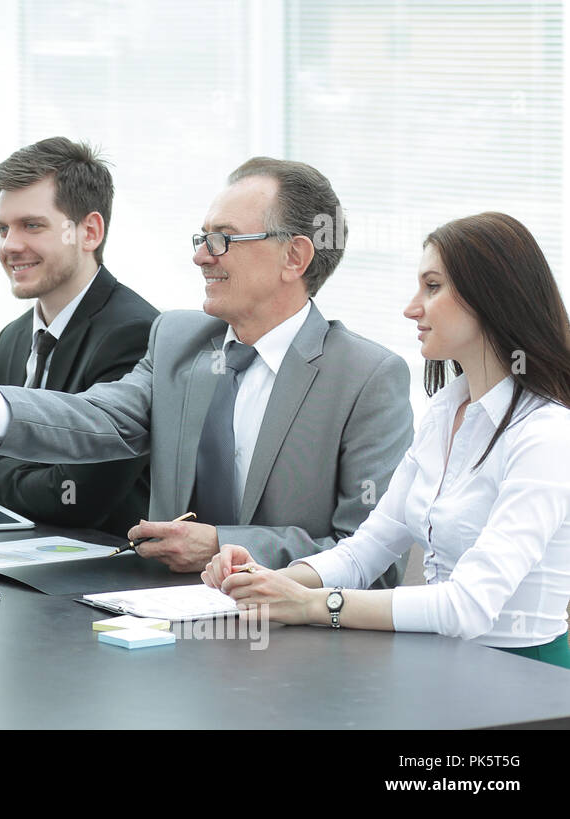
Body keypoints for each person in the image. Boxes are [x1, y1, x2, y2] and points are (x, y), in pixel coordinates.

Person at [0, 157, 414, 586]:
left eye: (222, 239)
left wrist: (223, 544)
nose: (201, 255)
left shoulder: (367, 378)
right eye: (201, 238)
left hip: (293, 645)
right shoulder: (179, 339)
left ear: (295, 257)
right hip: (159, 623)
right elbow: (100, 417)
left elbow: (371, 556)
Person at [205, 212, 570, 668]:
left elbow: (468, 607)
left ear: (491, 298)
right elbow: (365, 550)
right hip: (441, 667)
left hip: (528, 683)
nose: (412, 307)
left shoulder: (546, 436)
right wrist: (270, 582)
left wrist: (315, 605)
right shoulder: (443, 414)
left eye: (432, 287)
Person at [0, 137, 158, 536]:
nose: (10, 246)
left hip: (103, 576)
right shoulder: (13, 338)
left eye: (32, 226)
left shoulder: (135, 332)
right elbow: (0, 458)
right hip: (14, 560)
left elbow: (79, 496)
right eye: (3, 228)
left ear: (88, 232)